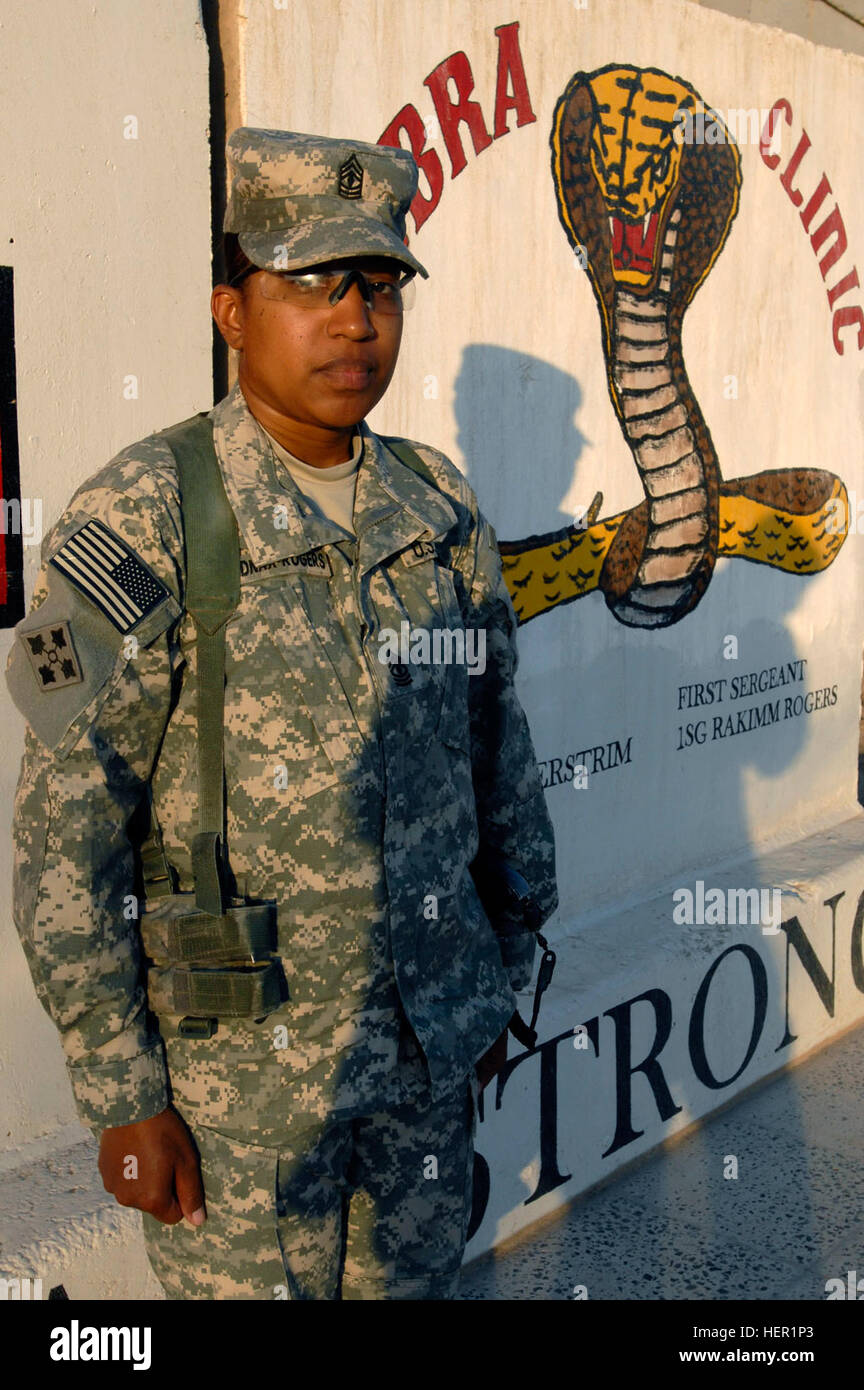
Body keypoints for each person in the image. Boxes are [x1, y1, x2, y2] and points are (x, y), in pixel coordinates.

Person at [6, 128, 558, 1301]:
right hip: (241, 1109)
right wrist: (125, 1092)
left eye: (376, 285)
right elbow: (65, 834)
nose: (354, 320)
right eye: (310, 285)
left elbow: (498, 749)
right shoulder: (139, 514)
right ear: (230, 311)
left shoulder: (437, 499)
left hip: (424, 1064)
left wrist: (500, 967)